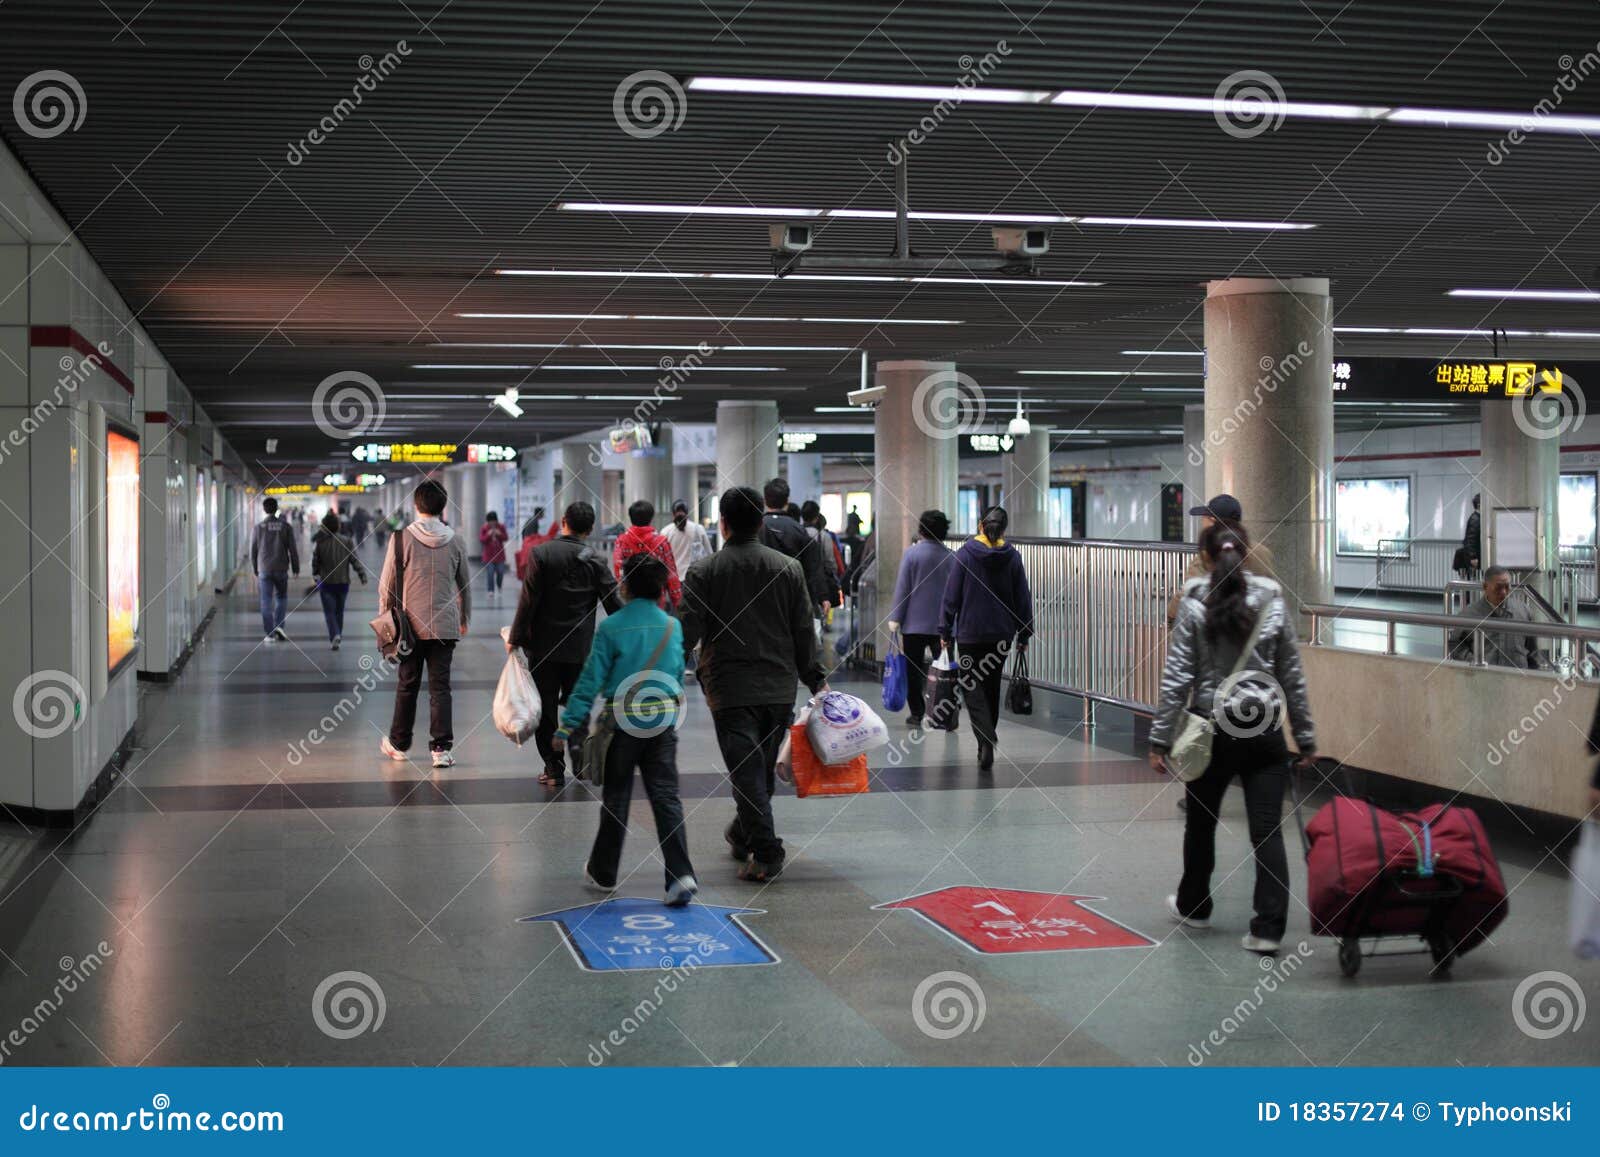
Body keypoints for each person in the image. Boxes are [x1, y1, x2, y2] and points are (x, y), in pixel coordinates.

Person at [1148, 526, 1317, 955]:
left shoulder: (1193, 602)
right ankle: (1268, 928)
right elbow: (1291, 677)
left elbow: (1178, 677)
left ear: (1205, 557)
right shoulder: (1272, 600)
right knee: (1267, 831)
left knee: (1201, 824)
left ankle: (1195, 907)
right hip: (1264, 731)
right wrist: (1306, 736)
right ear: (1246, 554)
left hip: (1212, 731)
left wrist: (1160, 739)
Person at [682, 487, 828, 882]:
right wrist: (815, 679)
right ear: (761, 522)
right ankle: (740, 833)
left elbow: (686, 631)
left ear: (723, 525)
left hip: (729, 688)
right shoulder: (788, 568)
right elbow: (802, 631)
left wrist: (662, 677)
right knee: (758, 772)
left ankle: (767, 852)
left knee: (750, 774)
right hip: (778, 686)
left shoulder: (704, 572)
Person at [551, 553, 698, 906]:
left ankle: (604, 872)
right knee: (666, 797)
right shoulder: (671, 627)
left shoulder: (612, 627)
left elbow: (589, 681)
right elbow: (677, 673)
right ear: (661, 589)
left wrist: (567, 726)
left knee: (616, 799)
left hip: (622, 725)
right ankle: (680, 875)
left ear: (626, 585)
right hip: (662, 724)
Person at [508, 501, 622, 787]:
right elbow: (614, 604)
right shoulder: (596, 560)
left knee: (545, 709)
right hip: (579, 648)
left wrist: (516, 639)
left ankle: (553, 768)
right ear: (591, 528)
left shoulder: (541, 554)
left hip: (543, 647)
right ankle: (580, 761)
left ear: (563, 521)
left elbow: (528, 602)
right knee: (578, 704)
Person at [378, 479, 472, 769]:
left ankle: (398, 743)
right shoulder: (456, 540)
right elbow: (465, 585)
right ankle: (441, 749)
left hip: (408, 626)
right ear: (443, 506)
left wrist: (385, 623)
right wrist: (464, 618)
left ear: (416, 506)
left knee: (407, 684)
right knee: (440, 688)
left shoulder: (400, 539)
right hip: (445, 625)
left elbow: (386, 586)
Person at [939, 506, 1034, 771]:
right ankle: (985, 742)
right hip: (1001, 636)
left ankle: (986, 739)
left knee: (971, 685)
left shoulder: (964, 555)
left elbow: (951, 597)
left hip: (970, 634)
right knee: (991, 686)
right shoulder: (1012, 557)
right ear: (1003, 529)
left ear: (981, 525)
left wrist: (944, 630)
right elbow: (1022, 598)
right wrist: (1024, 632)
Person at [888, 510, 956, 729]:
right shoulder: (951, 557)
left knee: (913, 671)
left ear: (921, 530)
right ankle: (945, 714)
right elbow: (955, 594)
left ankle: (917, 713)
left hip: (913, 625)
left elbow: (903, 589)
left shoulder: (911, 554)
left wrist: (896, 617)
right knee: (945, 673)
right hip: (942, 628)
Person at [1168, 494, 1276, 625]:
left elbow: (1189, 595)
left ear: (1212, 521)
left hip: (1217, 631)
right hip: (1254, 628)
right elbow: (1270, 594)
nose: (1202, 522)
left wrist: (1171, 616)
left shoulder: (1207, 555)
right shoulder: (1263, 552)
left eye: (1204, 518)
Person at [759, 478, 832, 616]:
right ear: (787, 501)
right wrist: (823, 596)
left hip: (760, 601)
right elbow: (813, 568)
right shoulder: (798, 530)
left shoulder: (755, 528)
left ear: (765, 500)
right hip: (792, 600)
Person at [1448, 565, 1540, 669]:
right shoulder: (1469, 614)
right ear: (1485, 587)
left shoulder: (1523, 611)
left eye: (1507, 587)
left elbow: (1532, 649)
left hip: (1517, 675)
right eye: (1498, 588)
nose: (1504, 592)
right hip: (1486, 676)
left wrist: (1534, 674)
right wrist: (1473, 661)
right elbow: (1455, 644)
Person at [311, 509, 368, 649]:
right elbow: (354, 560)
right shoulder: (347, 541)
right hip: (343, 583)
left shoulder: (320, 543)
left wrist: (315, 574)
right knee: (339, 611)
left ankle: (334, 635)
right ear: (338, 525)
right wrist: (362, 575)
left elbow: (315, 562)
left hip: (326, 583)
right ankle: (338, 635)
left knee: (329, 612)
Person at [612, 500, 682, 609]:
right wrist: (677, 602)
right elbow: (671, 574)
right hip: (656, 602)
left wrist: (622, 595)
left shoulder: (622, 541)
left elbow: (619, 571)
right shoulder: (661, 542)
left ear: (631, 518)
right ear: (651, 518)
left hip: (630, 601)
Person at [251, 496, 300, 644]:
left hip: (264, 569)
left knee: (265, 600)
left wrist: (255, 569)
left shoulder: (258, 527)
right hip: (281, 568)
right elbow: (292, 549)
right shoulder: (285, 527)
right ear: (276, 508)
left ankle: (269, 633)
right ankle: (279, 627)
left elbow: (253, 550)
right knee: (281, 597)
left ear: (264, 510)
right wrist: (295, 567)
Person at [800, 501, 844, 613]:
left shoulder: (796, 533)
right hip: (820, 584)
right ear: (816, 517)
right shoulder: (824, 536)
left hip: (800, 581)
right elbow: (830, 563)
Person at [662, 499, 712, 580]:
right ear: (688, 513)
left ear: (673, 514)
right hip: (694, 578)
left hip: (673, 580)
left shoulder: (665, 532)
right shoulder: (698, 529)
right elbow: (709, 554)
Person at [479, 511, 510, 599]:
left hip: (499, 556)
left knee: (500, 572)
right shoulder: (484, 528)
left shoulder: (501, 527)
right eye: (490, 521)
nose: (492, 523)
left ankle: (499, 586)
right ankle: (490, 590)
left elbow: (506, 537)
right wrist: (488, 535)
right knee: (490, 573)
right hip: (488, 556)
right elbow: (482, 540)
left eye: (494, 521)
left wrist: (499, 534)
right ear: (488, 521)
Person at [1456, 494, 1482, 579]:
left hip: (1474, 556)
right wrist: (1473, 557)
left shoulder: (1477, 518)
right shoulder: (1475, 519)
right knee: (1473, 580)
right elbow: (1470, 539)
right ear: (1479, 505)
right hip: (1474, 558)